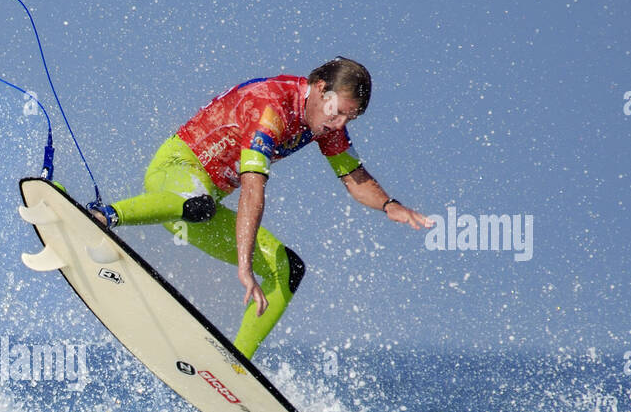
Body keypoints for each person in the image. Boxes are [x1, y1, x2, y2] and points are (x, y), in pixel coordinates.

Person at [90, 58, 432, 360]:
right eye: (338, 112)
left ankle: (237, 366)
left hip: (200, 211)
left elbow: (354, 177)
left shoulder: (322, 122)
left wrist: (389, 205)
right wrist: (244, 265)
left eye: (349, 117)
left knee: (288, 269)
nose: (340, 124)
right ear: (319, 88)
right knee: (199, 202)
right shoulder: (270, 106)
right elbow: (252, 188)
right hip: (175, 173)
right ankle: (103, 216)